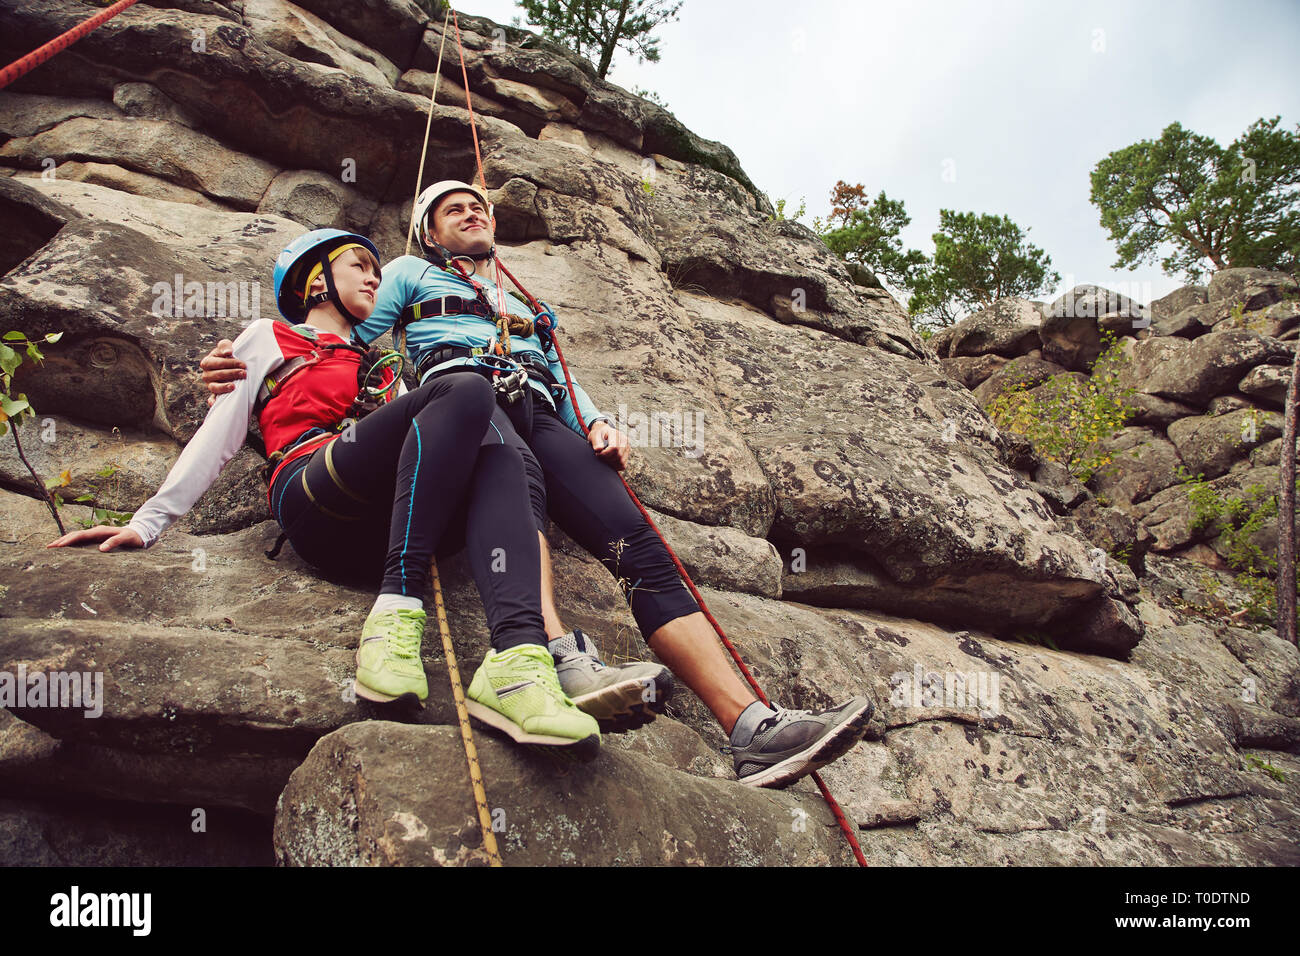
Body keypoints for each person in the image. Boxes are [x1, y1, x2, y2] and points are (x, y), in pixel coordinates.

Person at [200, 185, 876, 788]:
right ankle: (558, 664)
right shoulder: (406, 272)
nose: (471, 214)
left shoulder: (522, 298)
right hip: (468, 396)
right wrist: (252, 367)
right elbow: (344, 336)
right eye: (453, 210)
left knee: (639, 546)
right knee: (516, 492)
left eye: (479, 207)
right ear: (431, 232)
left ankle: (750, 727)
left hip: (545, 410)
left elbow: (558, 367)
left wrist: (599, 421)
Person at [50, 228, 601, 756]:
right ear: (315, 281)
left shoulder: (383, 366)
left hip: (386, 521)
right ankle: (393, 620)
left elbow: (430, 449)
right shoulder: (271, 337)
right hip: (313, 490)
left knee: (500, 447)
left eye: (377, 273)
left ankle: (518, 661)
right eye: (359, 267)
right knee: (464, 389)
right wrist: (146, 524)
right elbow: (217, 435)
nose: (373, 280)